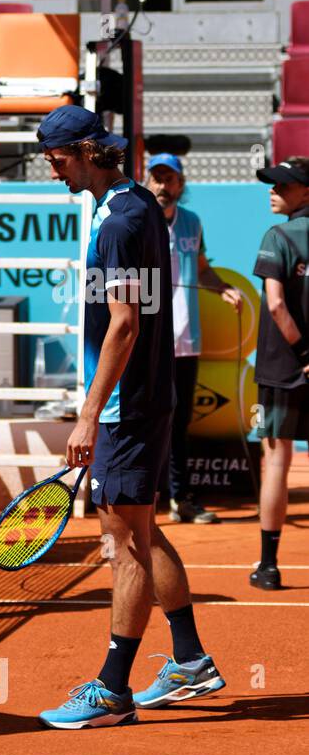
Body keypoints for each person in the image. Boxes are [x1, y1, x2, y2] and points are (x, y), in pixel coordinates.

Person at [34, 106, 224, 729]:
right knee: (141, 531)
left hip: (126, 406)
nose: (53, 171)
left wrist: (89, 414)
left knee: (122, 543)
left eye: (58, 160)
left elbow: (124, 322)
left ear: (87, 151)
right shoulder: (135, 204)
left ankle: (113, 688)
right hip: (140, 399)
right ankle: (190, 658)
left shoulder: (120, 220)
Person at [142, 152, 243, 524]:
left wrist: (223, 289)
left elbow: (201, 270)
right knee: (149, 421)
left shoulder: (192, 222)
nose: (163, 186)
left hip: (186, 340)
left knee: (180, 422)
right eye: (157, 178)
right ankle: (145, 498)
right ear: (147, 180)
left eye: (170, 180)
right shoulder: (137, 221)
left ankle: (180, 498)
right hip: (148, 341)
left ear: (181, 185)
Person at [249, 156, 309, 591]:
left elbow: (275, 304)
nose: (273, 190)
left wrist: (305, 352)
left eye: (282, 185)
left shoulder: (279, 235)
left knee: (277, 461)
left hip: (285, 366)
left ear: (305, 192)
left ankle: (268, 567)